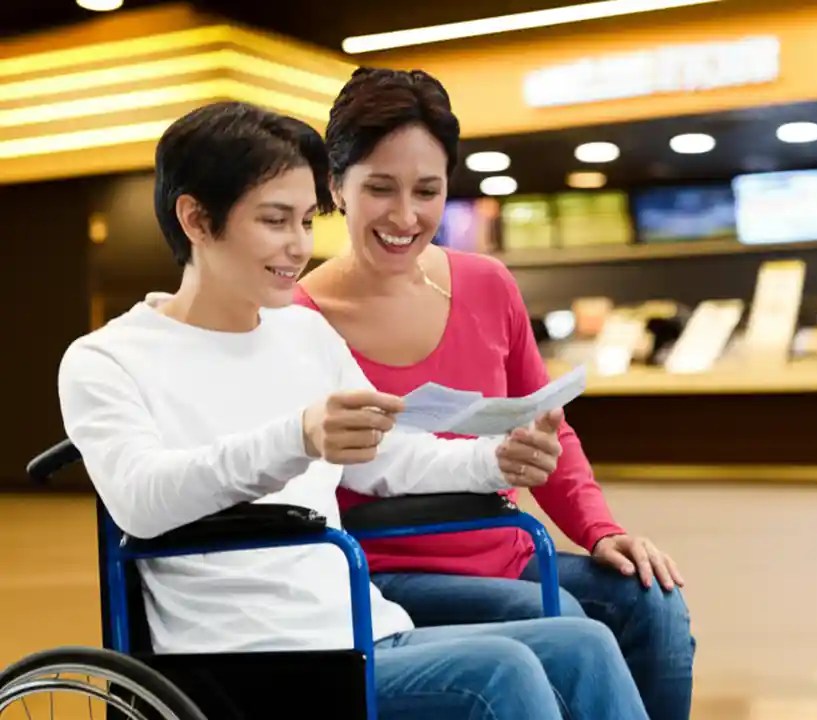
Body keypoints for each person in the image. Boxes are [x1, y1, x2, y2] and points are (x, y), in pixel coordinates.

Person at [56, 100, 649, 720]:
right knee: (502, 671)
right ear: (197, 219)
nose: (298, 247)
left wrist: (493, 461)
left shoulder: (303, 335)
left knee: (582, 645)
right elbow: (141, 501)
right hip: (252, 657)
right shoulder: (106, 359)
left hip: (362, 630)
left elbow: (386, 455)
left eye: (308, 220)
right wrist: (298, 437)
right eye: (275, 220)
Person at [296, 66, 695, 719]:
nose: (405, 216)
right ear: (336, 186)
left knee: (656, 603)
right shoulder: (299, 317)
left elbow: (548, 430)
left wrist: (599, 531)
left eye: (427, 190)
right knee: (559, 620)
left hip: (506, 547)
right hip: (383, 573)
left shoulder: (487, 285)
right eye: (380, 189)